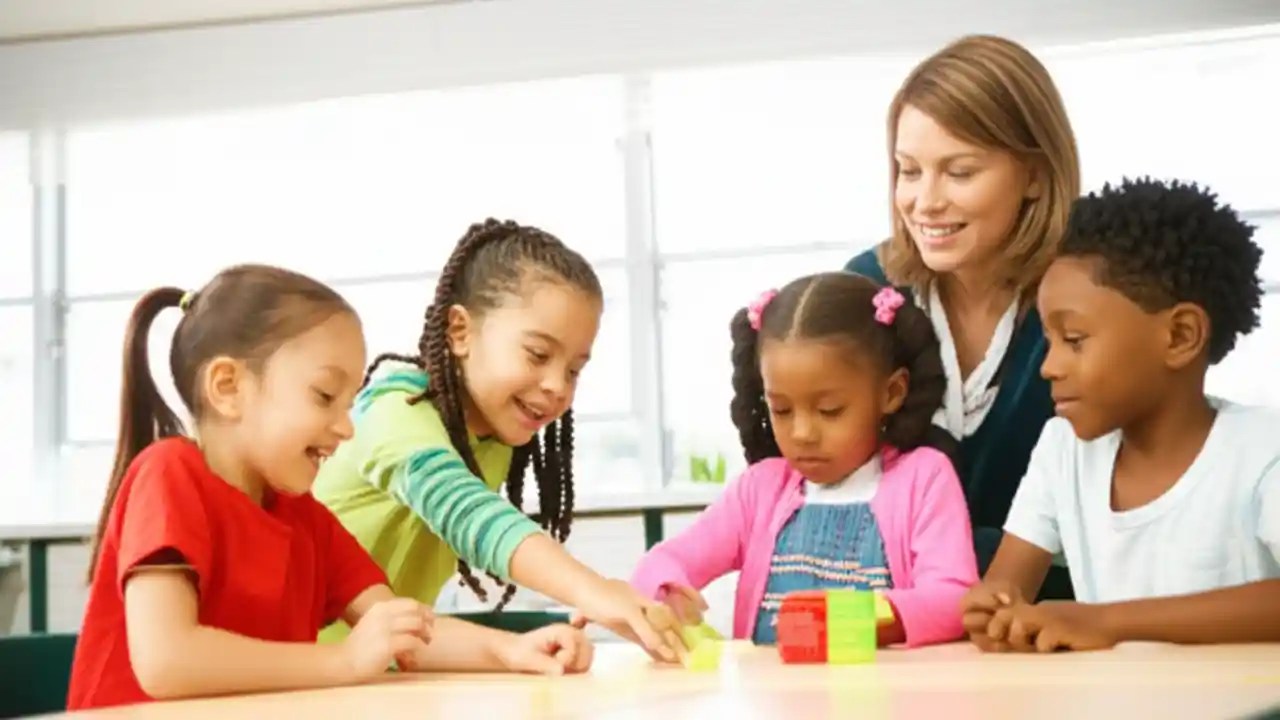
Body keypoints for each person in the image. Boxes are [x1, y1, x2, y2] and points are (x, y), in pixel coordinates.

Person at [68, 265, 594, 711]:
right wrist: (343, 660)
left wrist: (510, 651)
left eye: (348, 403)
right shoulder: (168, 474)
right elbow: (167, 662)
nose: (346, 428)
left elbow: (401, 630)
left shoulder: (305, 516)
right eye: (324, 396)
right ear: (228, 387)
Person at [312, 219, 681, 661]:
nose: (557, 385)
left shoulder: (492, 442)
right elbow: (463, 508)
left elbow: (404, 628)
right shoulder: (394, 411)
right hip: (303, 671)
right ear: (460, 332)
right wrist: (593, 590)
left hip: (376, 672)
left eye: (573, 370)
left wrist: (513, 651)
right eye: (538, 355)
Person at [962, 178, 1280, 652]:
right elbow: (1007, 585)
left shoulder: (1262, 452)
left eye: (1074, 340)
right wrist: (993, 609)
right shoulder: (1062, 450)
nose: (1048, 367)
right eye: (1049, 342)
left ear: (1180, 336)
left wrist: (1107, 622)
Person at [846, 34, 1081, 598]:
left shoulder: (1089, 297)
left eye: (960, 172)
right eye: (909, 171)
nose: (925, 201)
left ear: (1034, 174)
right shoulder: (868, 290)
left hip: (1055, 622)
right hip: (890, 622)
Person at [631, 272, 978, 647]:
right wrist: (667, 593)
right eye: (781, 410)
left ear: (891, 392)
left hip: (885, 686)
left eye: (829, 410)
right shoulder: (760, 490)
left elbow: (952, 598)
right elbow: (664, 561)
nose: (802, 433)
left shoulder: (924, 479)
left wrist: (851, 619)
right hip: (773, 686)